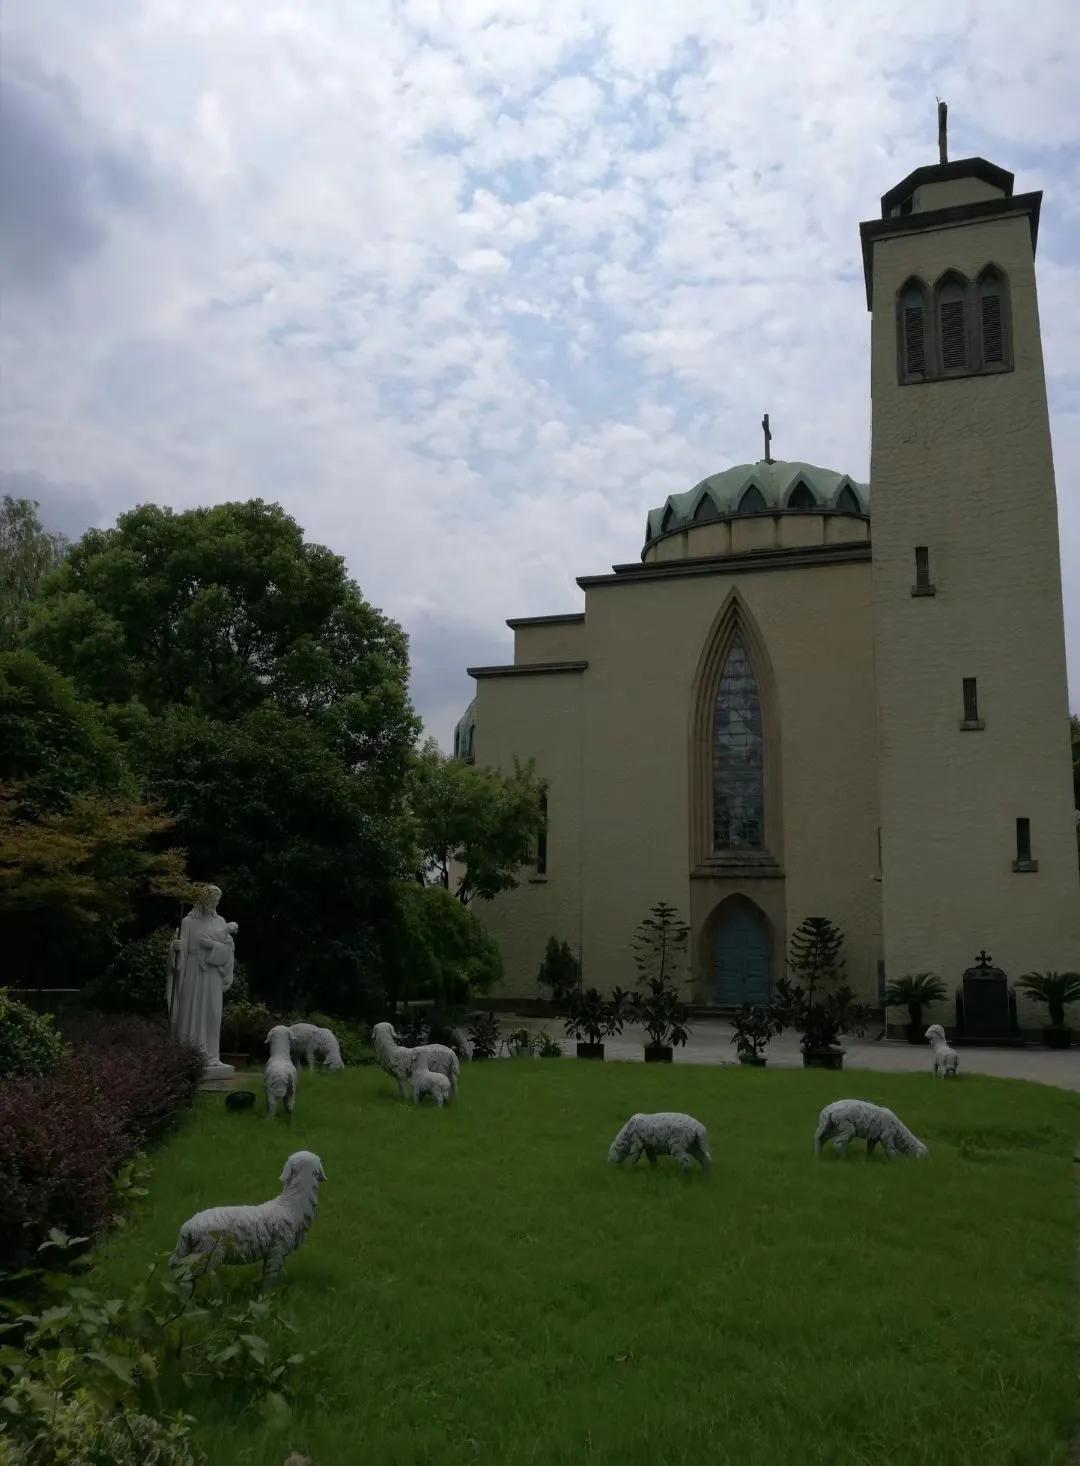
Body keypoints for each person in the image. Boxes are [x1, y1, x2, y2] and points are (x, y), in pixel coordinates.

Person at [167, 884, 238, 1075]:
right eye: (211, 899)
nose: (214, 903)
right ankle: (187, 1054)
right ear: (203, 900)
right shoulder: (188, 922)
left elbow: (228, 950)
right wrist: (175, 949)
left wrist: (220, 947)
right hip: (193, 971)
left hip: (213, 974)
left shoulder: (221, 921)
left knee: (212, 1013)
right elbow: (178, 959)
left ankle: (212, 1057)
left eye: (217, 900)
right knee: (191, 1011)